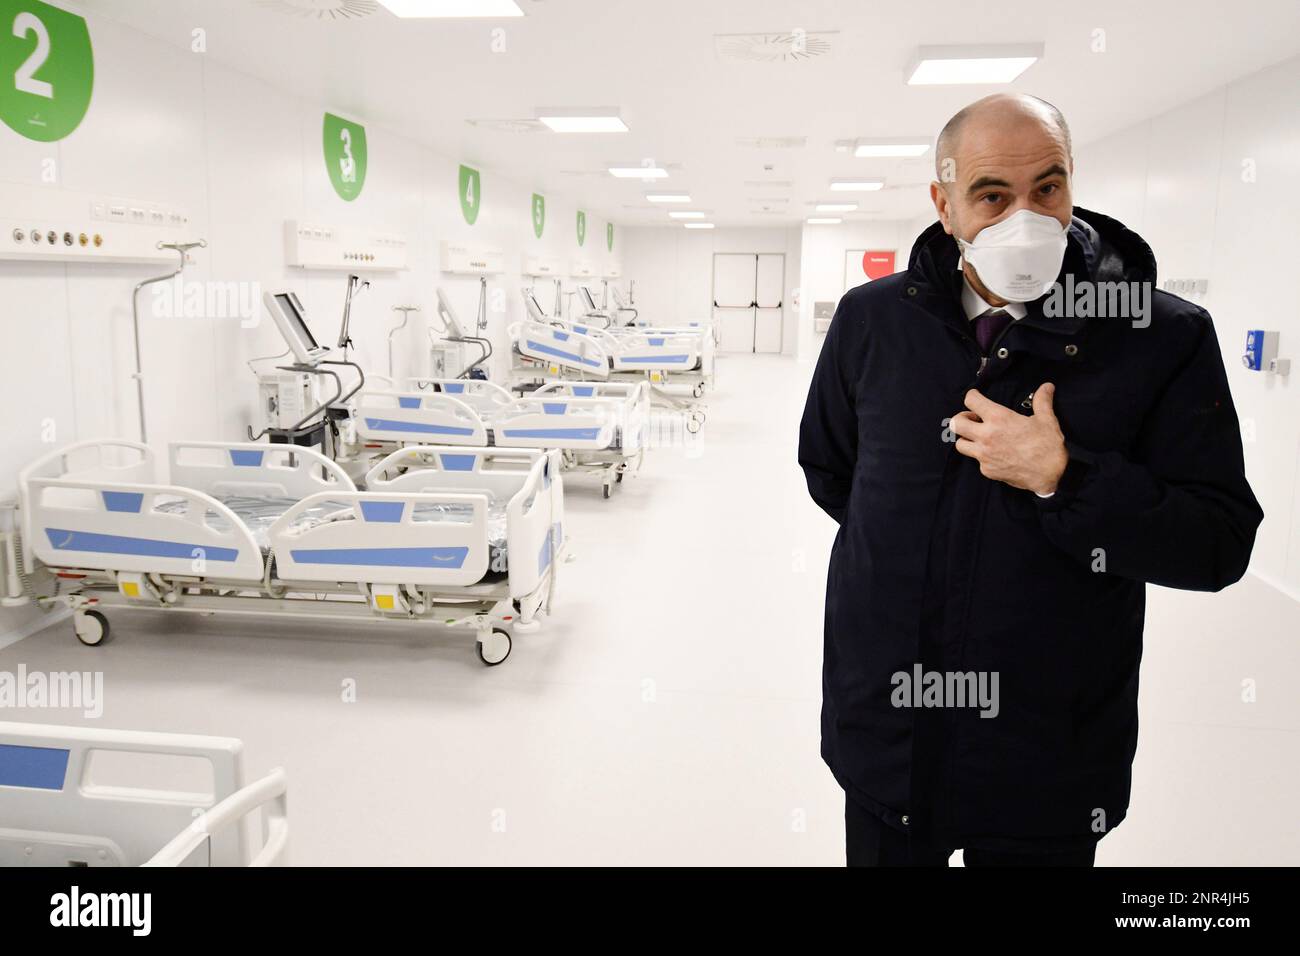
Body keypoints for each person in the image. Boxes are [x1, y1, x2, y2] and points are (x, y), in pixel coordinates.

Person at [798, 93, 1263, 867]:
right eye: (992, 195)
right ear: (943, 205)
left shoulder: (1160, 338)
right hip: (889, 733)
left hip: (1048, 757)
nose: (1028, 218)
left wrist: (1065, 479)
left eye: (1047, 188)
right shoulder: (873, 321)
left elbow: (1217, 543)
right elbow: (833, 473)